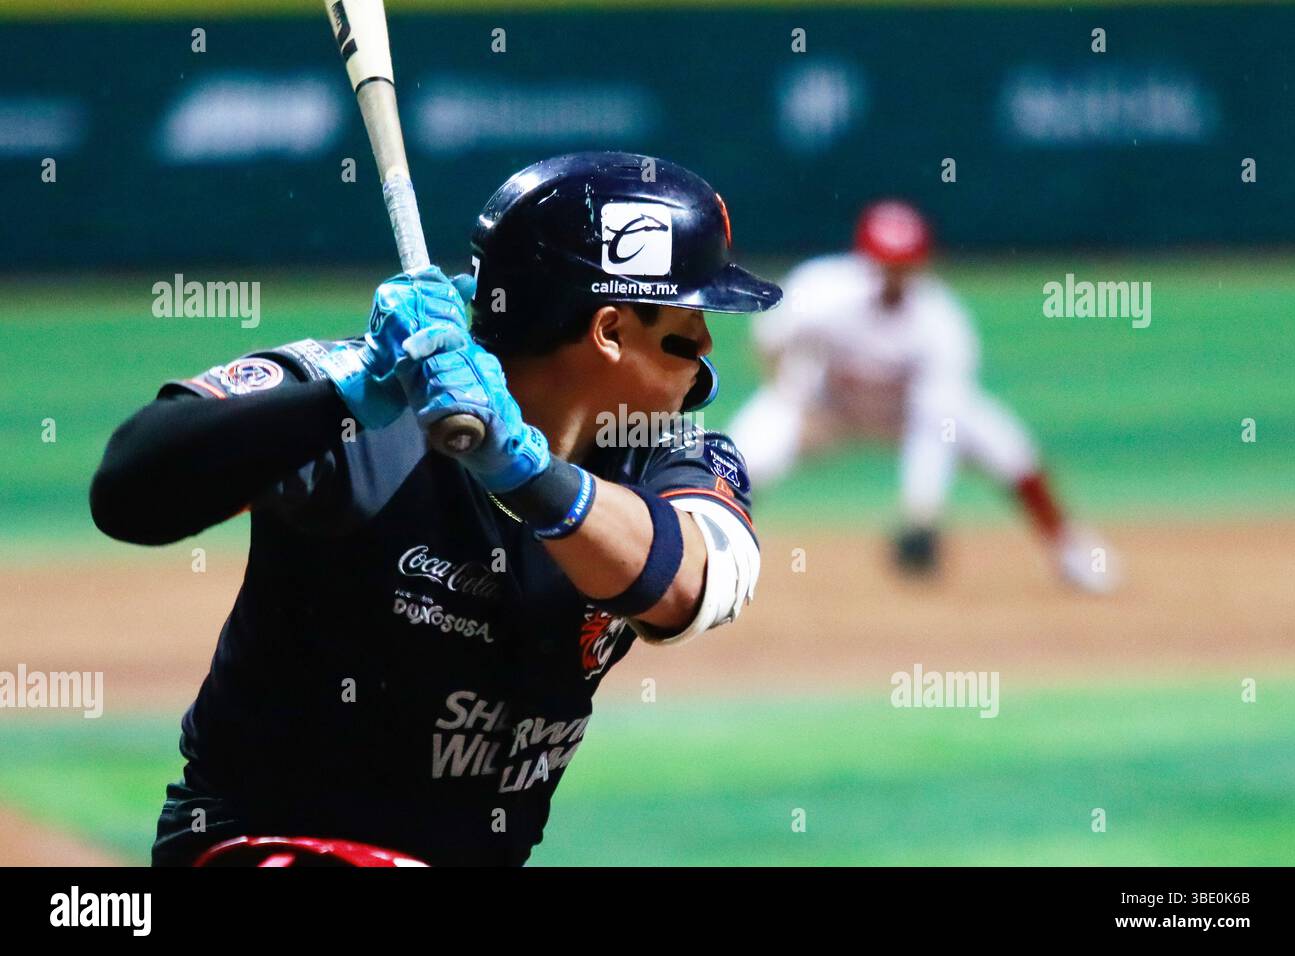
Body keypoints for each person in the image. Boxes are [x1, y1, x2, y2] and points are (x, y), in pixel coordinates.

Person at [89, 151, 779, 865]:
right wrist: (342, 400)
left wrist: (523, 471)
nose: (706, 356)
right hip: (266, 847)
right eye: (686, 330)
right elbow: (130, 492)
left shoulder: (667, 457)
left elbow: (689, 588)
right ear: (608, 330)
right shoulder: (376, 399)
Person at [728, 200, 1115, 592]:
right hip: (827, 406)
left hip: (907, 416)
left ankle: (1072, 552)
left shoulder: (941, 321)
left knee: (1010, 449)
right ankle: (713, 553)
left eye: (904, 263)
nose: (894, 273)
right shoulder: (821, 289)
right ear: (864, 256)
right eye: (885, 261)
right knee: (738, 460)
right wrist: (792, 396)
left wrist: (920, 512)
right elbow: (768, 342)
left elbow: (938, 423)